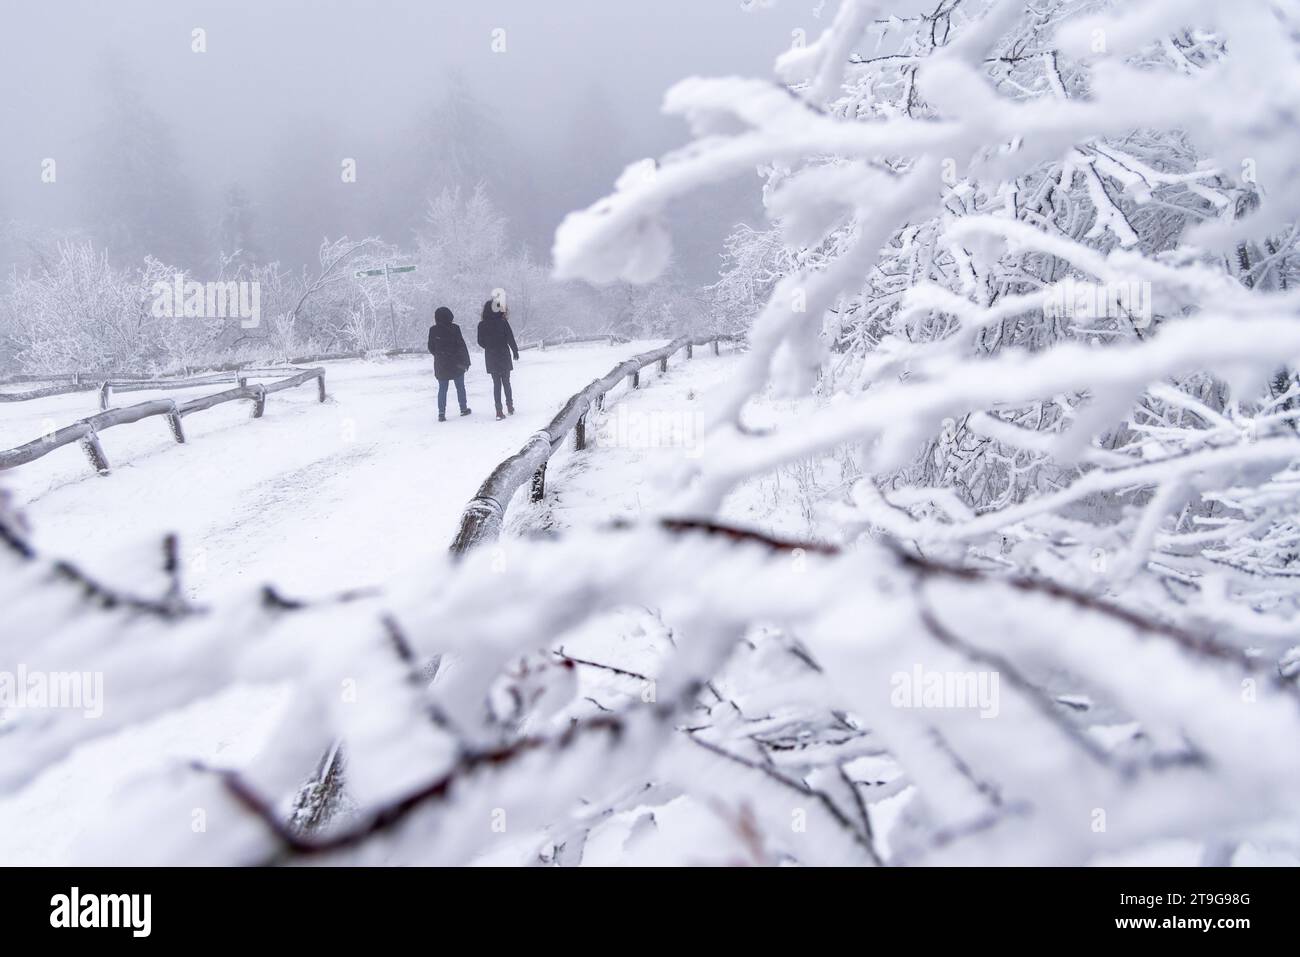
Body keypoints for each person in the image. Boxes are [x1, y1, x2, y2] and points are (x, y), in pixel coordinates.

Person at [476, 298, 520, 420]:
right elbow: (510, 337)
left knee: (496, 384)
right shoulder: (503, 322)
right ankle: (510, 406)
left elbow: (480, 341)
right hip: (504, 354)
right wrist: (515, 351)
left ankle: (499, 411)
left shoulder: (482, 325)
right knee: (506, 382)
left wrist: (489, 346)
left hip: (491, 356)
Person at [427, 306, 471, 422]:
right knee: (460, 386)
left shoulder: (433, 330)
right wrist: (465, 361)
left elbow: (431, 347)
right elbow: (461, 345)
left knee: (442, 389)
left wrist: (440, 355)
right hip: (456, 363)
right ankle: (463, 408)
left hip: (441, 364)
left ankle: (441, 413)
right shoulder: (455, 328)